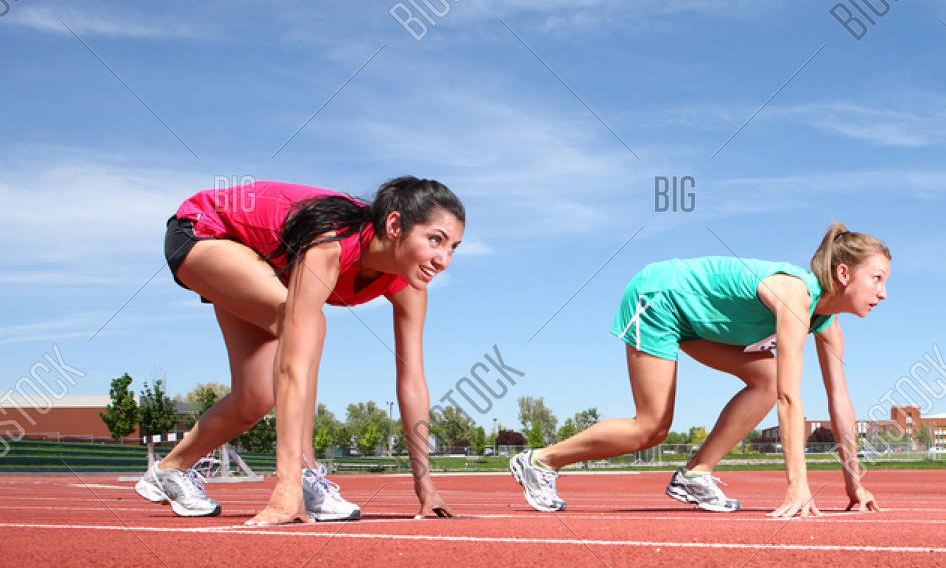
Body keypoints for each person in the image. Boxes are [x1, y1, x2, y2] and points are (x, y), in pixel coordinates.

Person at [136, 177, 464, 525]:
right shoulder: (331, 245)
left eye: (453, 247)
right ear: (395, 225)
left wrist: (425, 484)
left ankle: (170, 470)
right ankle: (302, 479)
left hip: (258, 257)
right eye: (435, 240)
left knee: (256, 397)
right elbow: (294, 364)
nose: (443, 260)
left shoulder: (409, 283)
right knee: (305, 325)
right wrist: (286, 490)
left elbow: (412, 381)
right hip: (204, 232)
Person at [509, 224, 888, 518]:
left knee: (767, 379)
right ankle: (539, 461)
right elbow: (791, 397)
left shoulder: (827, 324)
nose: (883, 292)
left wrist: (854, 486)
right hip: (659, 297)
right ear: (843, 273)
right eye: (877, 278)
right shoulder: (795, 297)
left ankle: (694, 475)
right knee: (651, 427)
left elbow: (840, 403)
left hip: (697, 323)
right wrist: (797, 486)